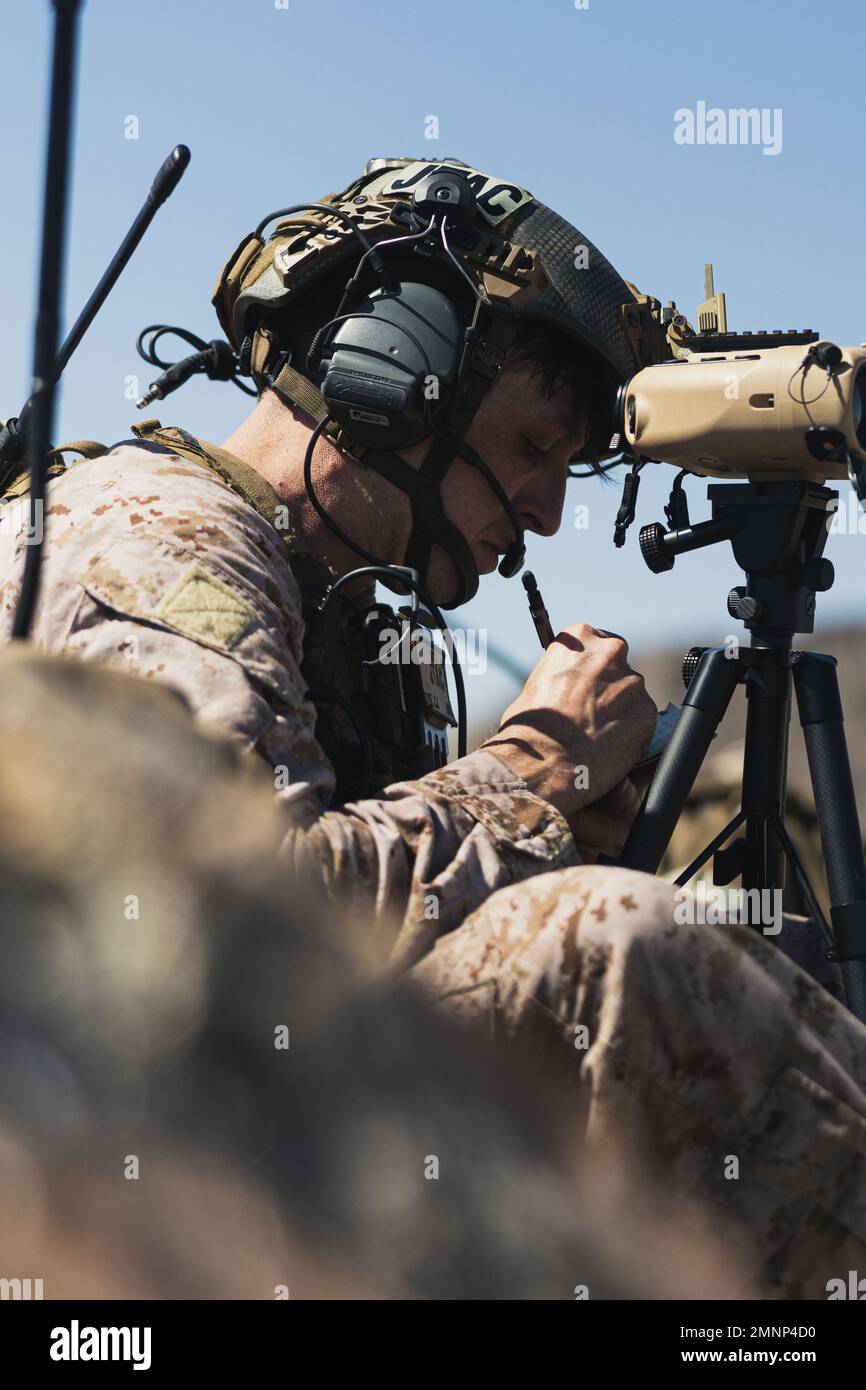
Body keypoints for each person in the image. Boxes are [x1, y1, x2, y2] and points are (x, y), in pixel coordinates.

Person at [2, 156, 865, 1296]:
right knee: (611, 949)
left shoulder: (339, 596)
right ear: (385, 375)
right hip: (104, 1136)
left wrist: (544, 815)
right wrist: (530, 771)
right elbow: (240, 932)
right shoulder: (164, 544)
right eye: (528, 449)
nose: (549, 512)